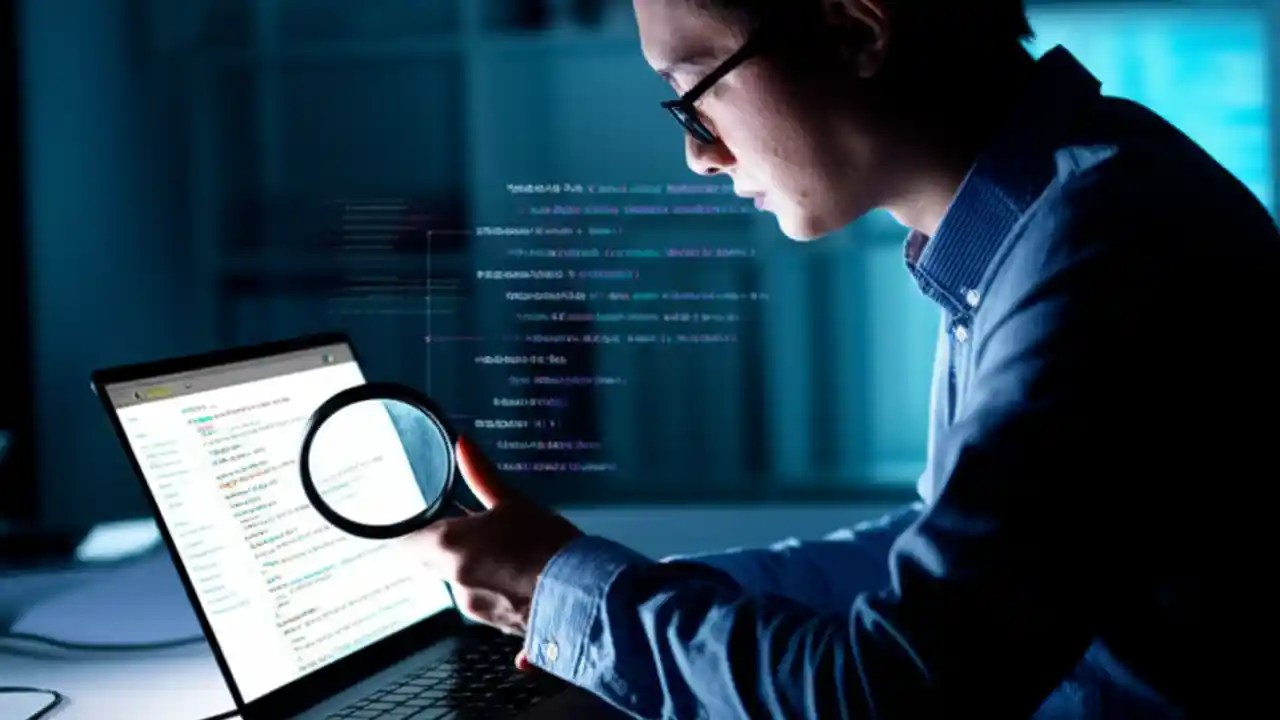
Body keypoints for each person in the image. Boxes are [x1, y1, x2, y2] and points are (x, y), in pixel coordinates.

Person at [407, 0, 1278, 717]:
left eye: (691, 91)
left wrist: (577, 598)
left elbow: (894, 691)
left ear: (854, 32)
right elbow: (953, 552)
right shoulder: (1047, 217)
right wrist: (643, 594)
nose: (699, 154)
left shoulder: (1099, 250)